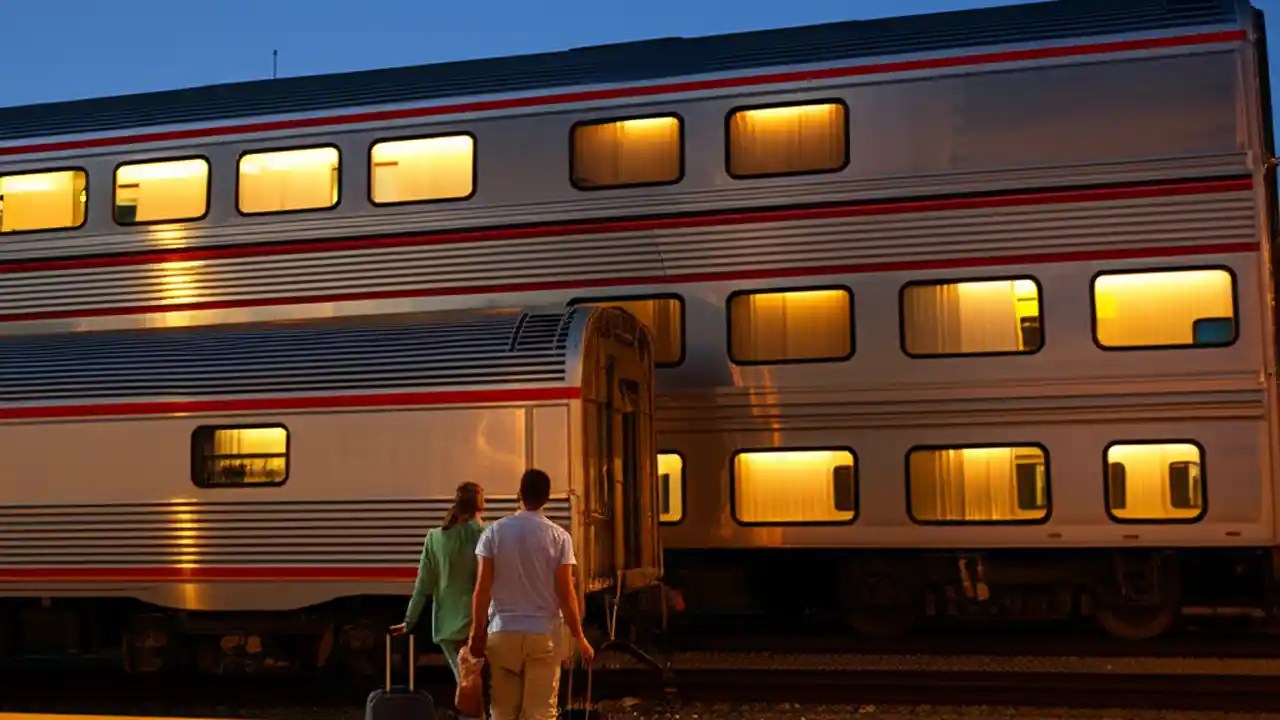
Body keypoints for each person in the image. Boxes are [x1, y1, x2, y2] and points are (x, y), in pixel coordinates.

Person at [467, 468, 594, 720]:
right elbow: (565, 592)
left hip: (503, 633)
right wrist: (578, 636)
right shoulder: (559, 537)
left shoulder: (493, 532)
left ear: (519, 495)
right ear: (546, 498)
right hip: (543, 636)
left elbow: (482, 589)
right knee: (539, 713)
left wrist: (476, 633)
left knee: (502, 711)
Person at [390, 481, 486, 712]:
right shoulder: (485, 534)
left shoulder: (434, 538)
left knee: (465, 683)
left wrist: (409, 621)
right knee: (478, 686)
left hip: (447, 626)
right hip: (478, 624)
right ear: (480, 505)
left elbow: (424, 585)